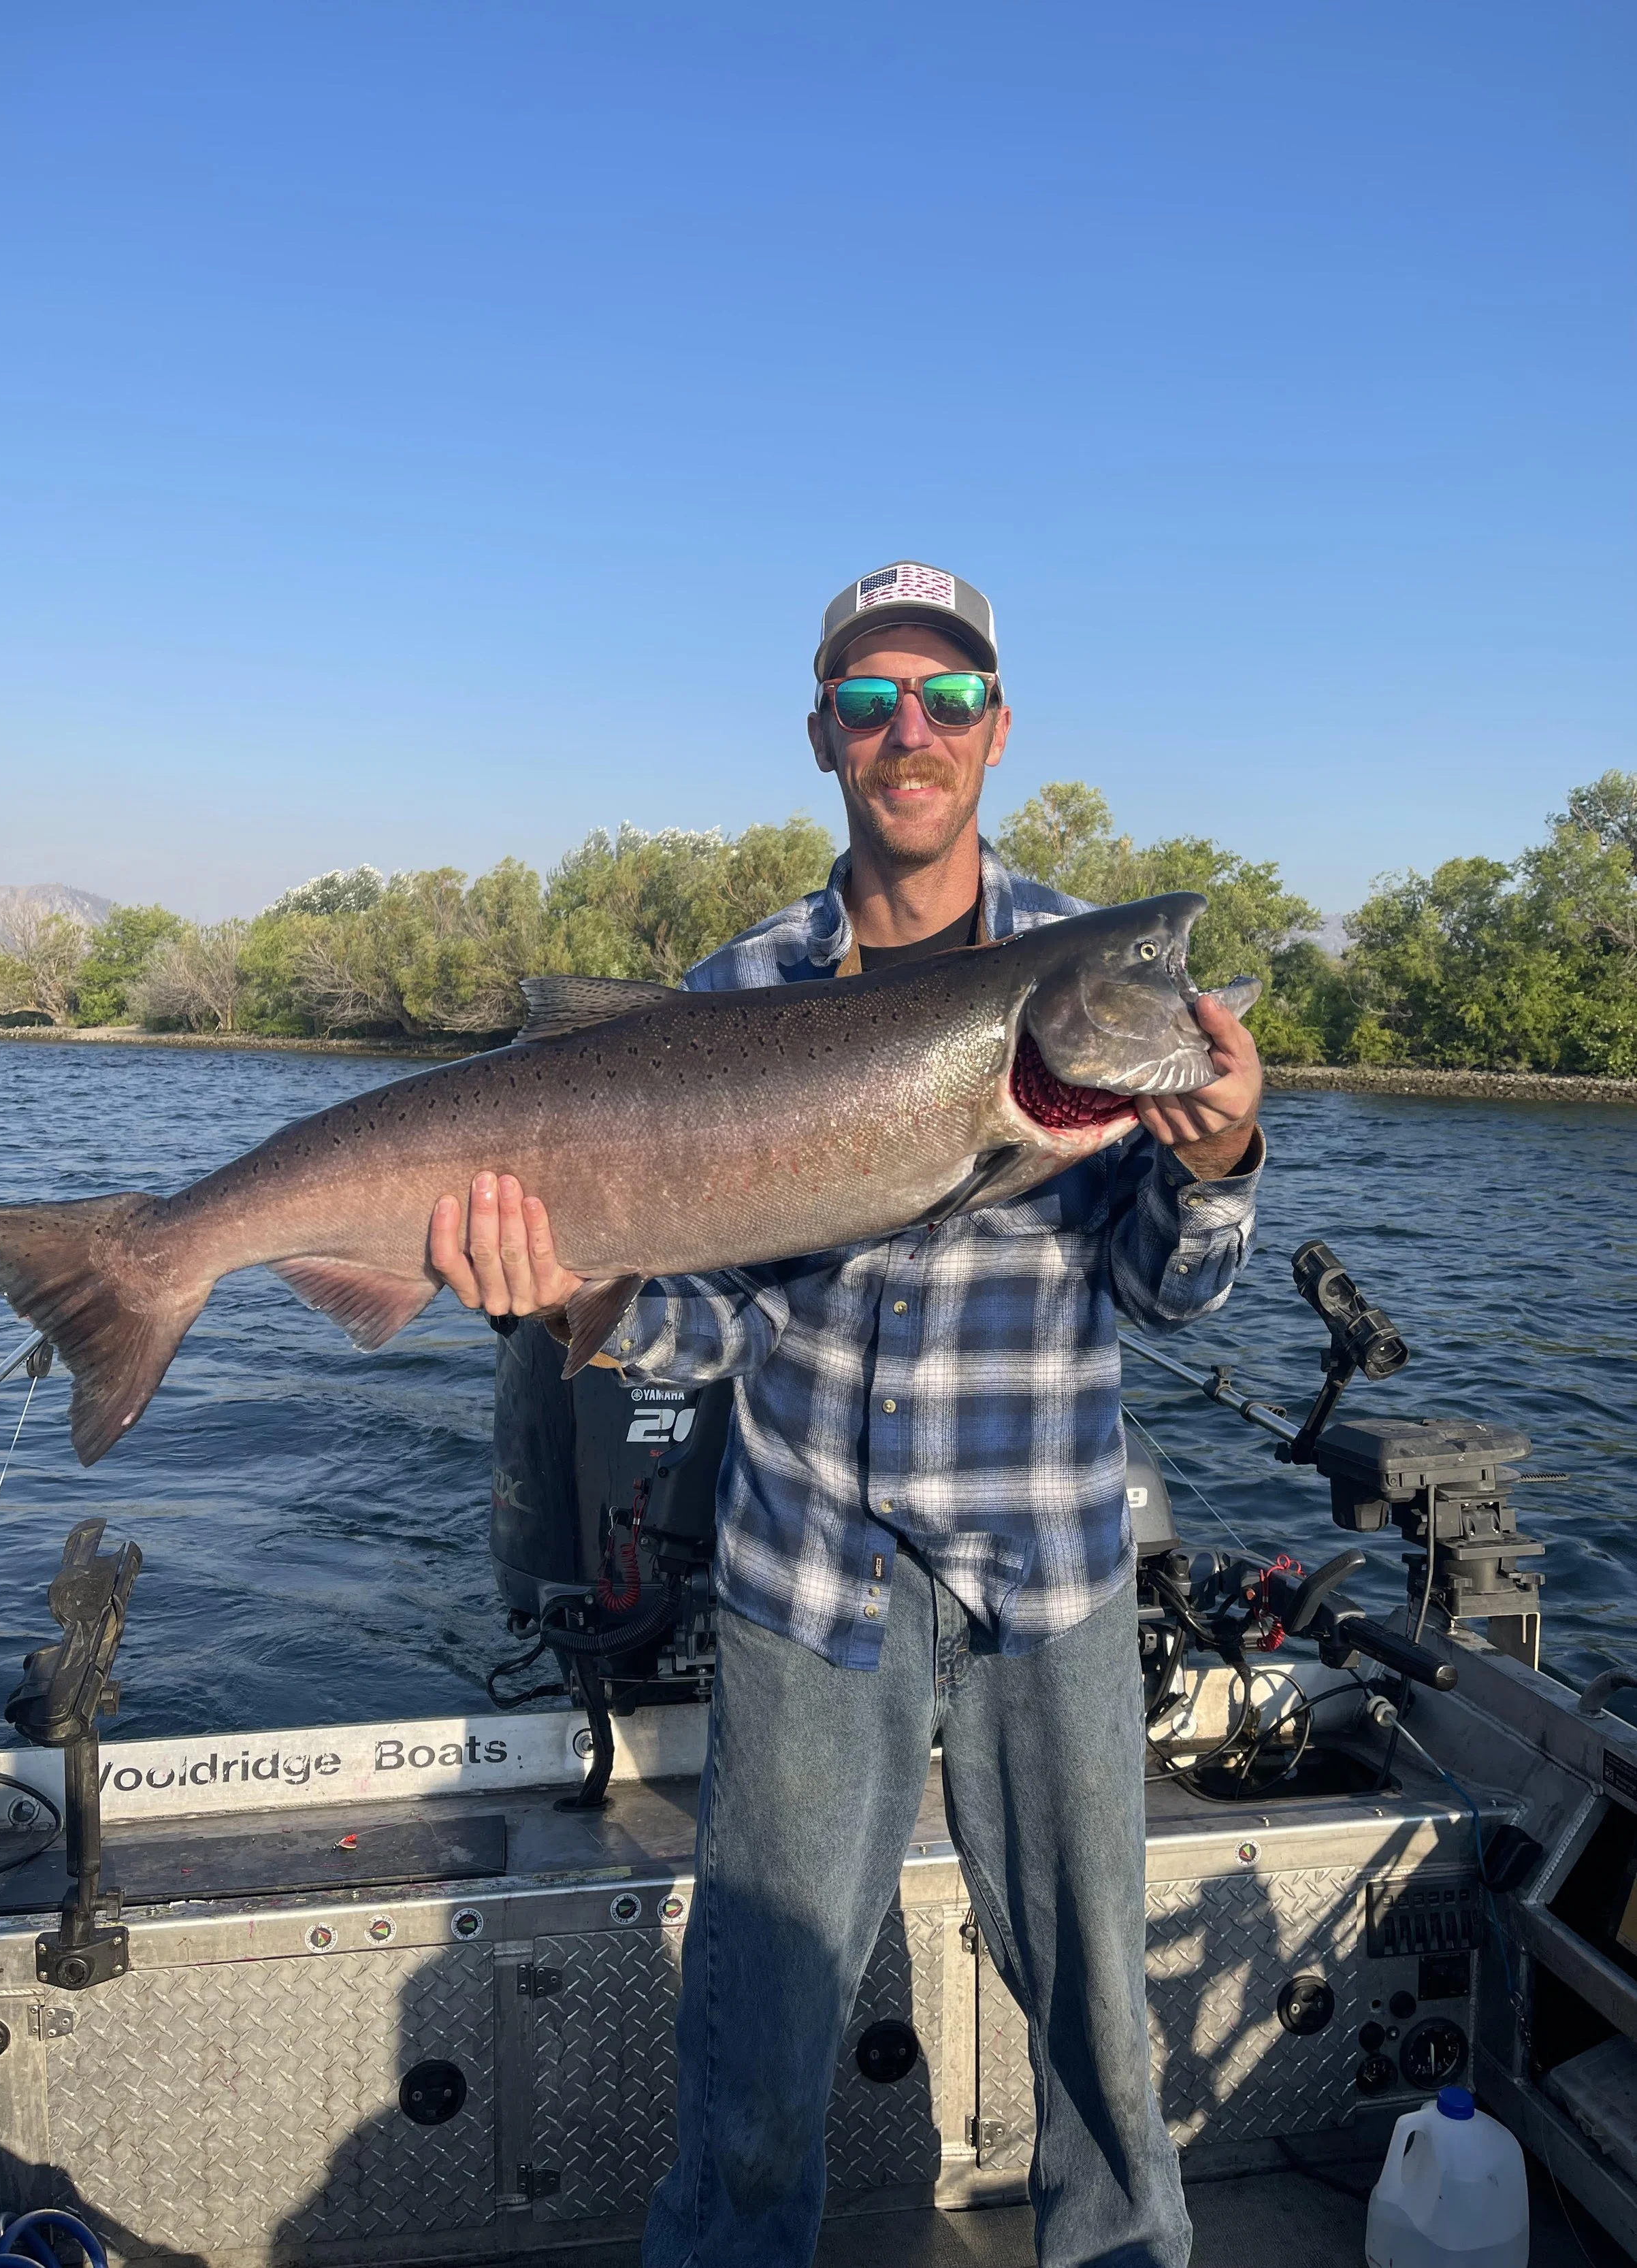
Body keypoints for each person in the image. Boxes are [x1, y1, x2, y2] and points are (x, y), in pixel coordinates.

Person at [431, 562, 1264, 2268]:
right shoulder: (731, 988)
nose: (913, 731)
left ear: (997, 731)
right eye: (875, 700)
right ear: (823, 735)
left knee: (1105, 2034)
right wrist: (568, 1293)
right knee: (753, 2052)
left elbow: (1165, 1292)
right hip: (804, 1572)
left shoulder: (1077, 982)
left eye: (948, 700)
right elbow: (706, 1314)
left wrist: (1222, 1162)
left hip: (1048, 1571)